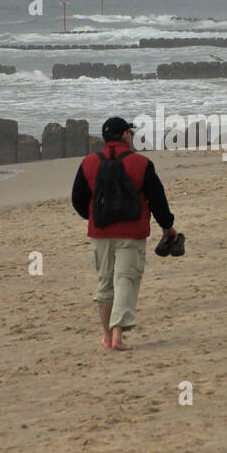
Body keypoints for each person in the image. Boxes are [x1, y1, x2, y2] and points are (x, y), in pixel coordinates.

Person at [71, 116, 176, 352]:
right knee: (126, 280)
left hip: (100, 233)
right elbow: (158, 200)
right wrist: (168, 226)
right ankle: (118, 335)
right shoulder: (141, 163)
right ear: (126, 135)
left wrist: (95, 217)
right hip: (132, 232)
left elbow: (78, 199)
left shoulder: (88, 163)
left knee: (105, 282)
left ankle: (107, 337)